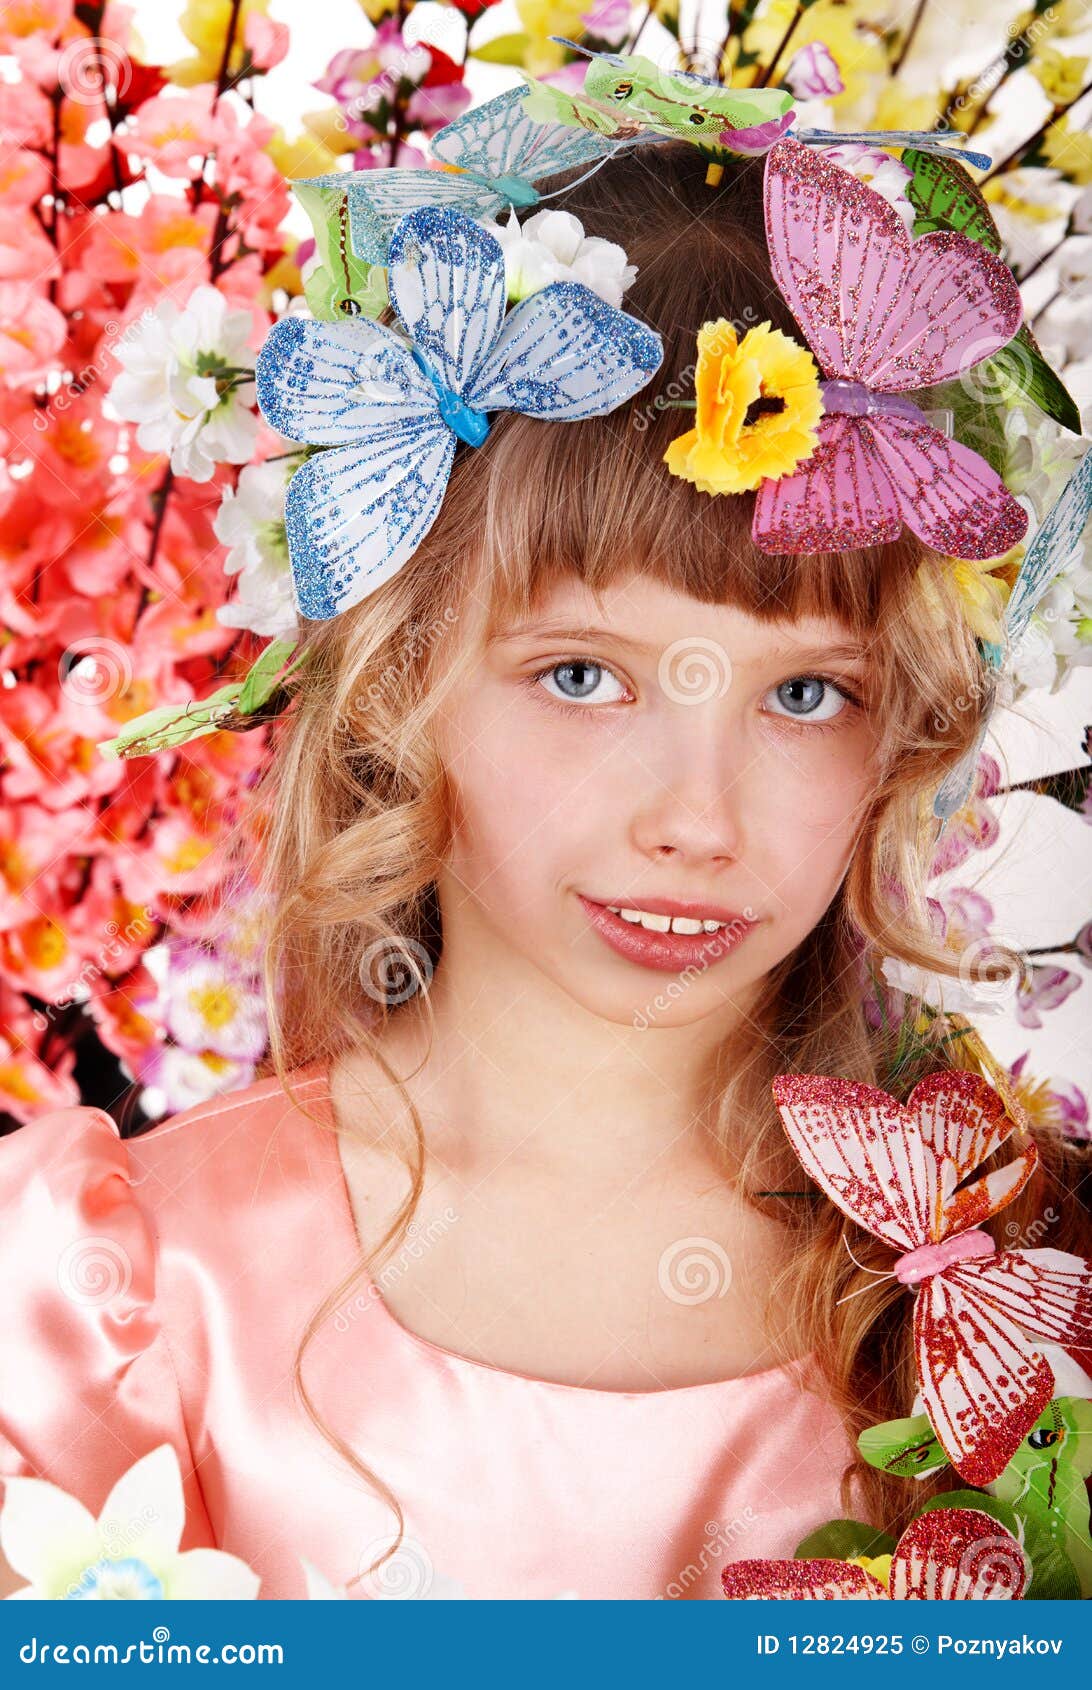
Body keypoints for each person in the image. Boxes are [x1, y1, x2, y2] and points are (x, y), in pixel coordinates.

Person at [1, 140, 1089, 1601]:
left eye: (806, 694)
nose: (695, 819)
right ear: (397, 675)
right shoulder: (126, 1298)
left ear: (902, 724)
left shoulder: (1008, 1280)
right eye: (583, 674)